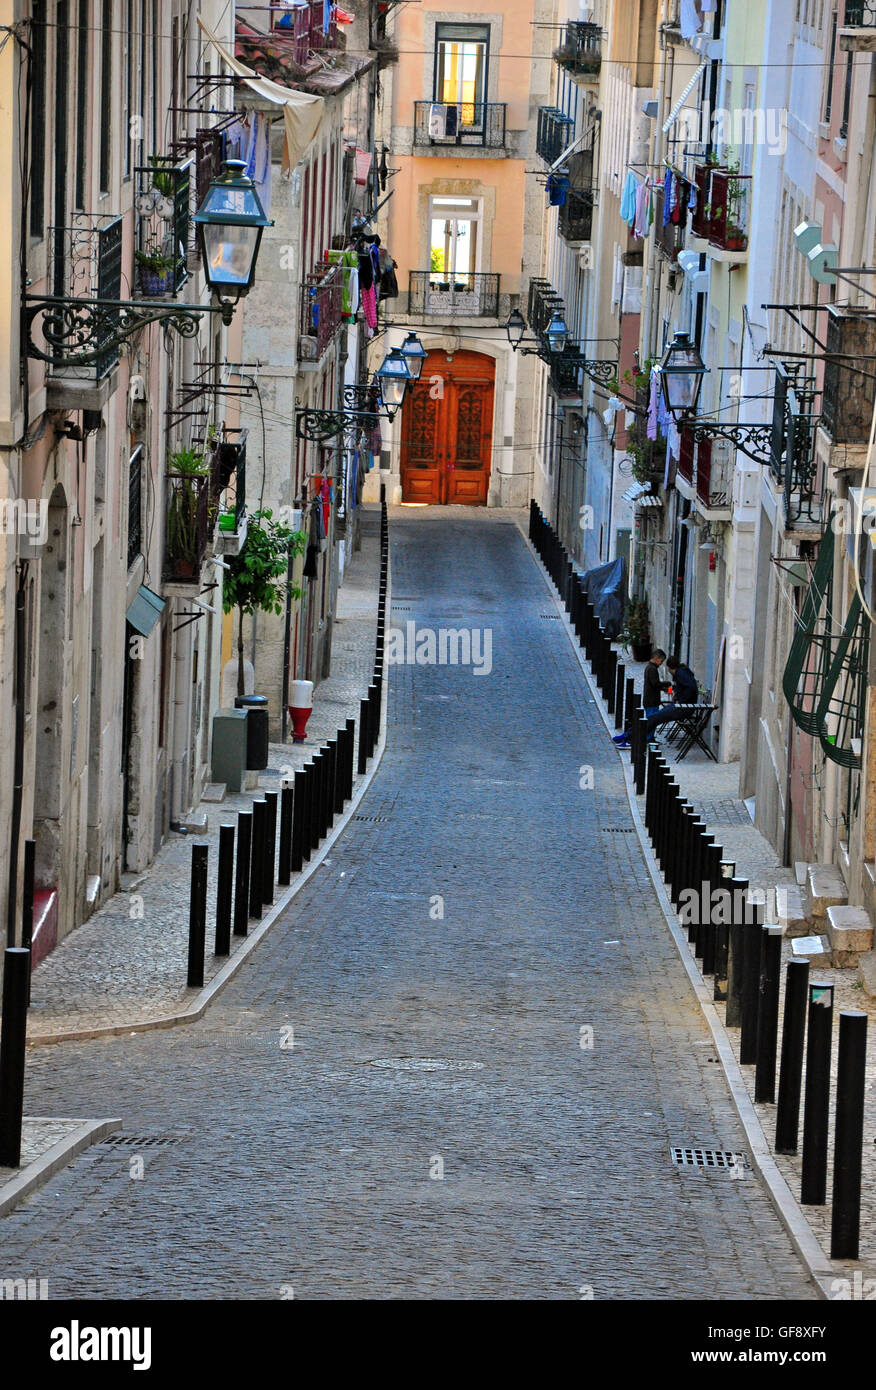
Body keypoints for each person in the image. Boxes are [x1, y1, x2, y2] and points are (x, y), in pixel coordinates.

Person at [612, 649, 669, 747]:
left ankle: (649, 738)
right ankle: (643, 738)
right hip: (651, 700)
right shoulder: (652, 669)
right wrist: (667, 684)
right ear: (656, 658)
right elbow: (655, 684)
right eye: (661, 661)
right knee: (651, 720)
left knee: (651, 720)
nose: (661, 664)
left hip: (651, 699)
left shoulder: (650, 667)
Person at [644, 655, 700, 743]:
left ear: (670, 668)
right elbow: (677, 689)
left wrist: (680, 700)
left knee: (653, 718)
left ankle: (635, 735)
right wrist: (671, 691)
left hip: (682, 707)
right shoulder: (682, 672)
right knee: (653, 718)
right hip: (680, 705)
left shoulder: (680, 673)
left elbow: (690, 688)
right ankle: (634, 734)